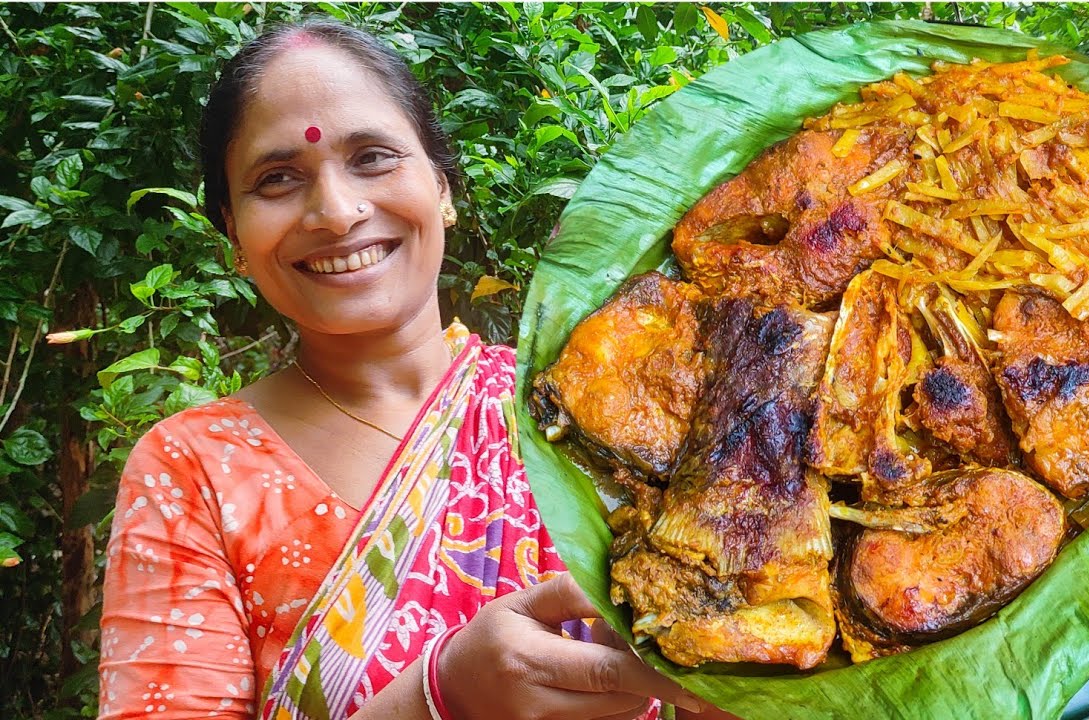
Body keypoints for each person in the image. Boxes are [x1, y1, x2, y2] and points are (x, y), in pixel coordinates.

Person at [98, 19, 723, 720]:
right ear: (232, 237)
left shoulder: (587, 409)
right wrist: (440, 697)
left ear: (444, 188)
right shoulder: (194, 472)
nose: (336, 212)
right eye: (277, 179)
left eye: (371, 157)